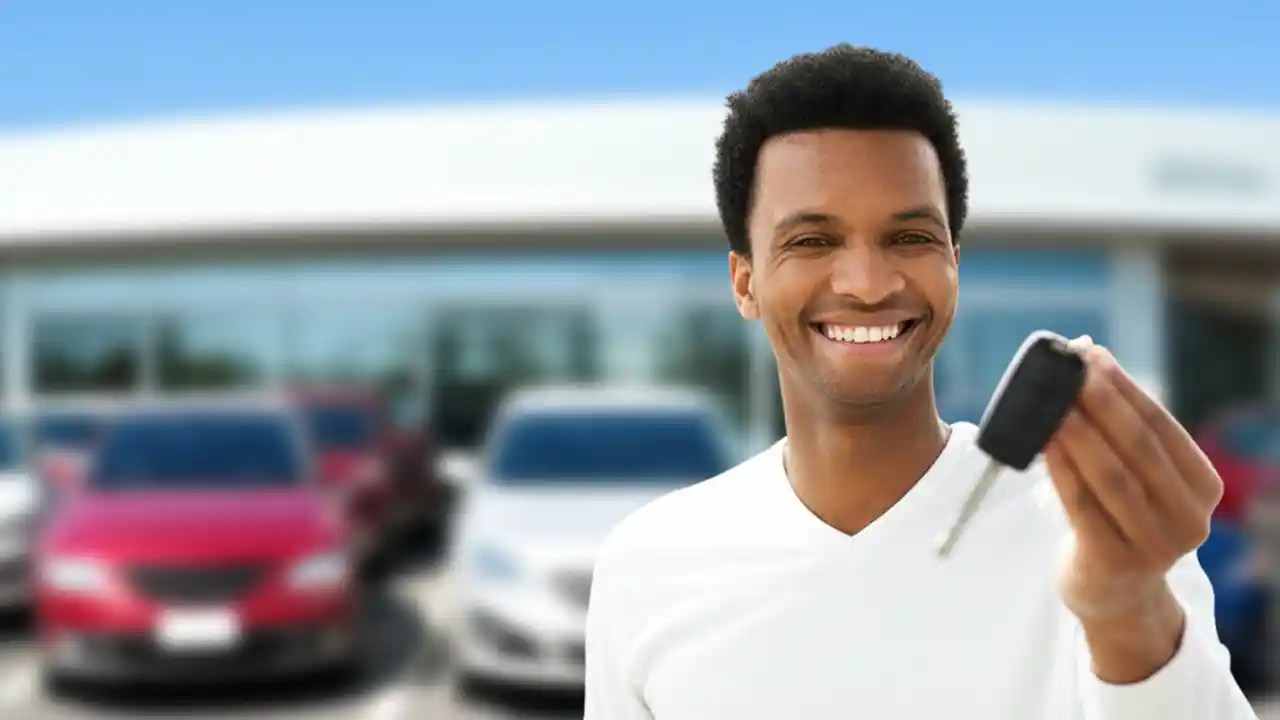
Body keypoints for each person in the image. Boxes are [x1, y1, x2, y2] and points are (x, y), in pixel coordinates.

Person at [583, 45, 1255, 719]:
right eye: (812, 242)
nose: (869, 284)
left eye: (910, 239)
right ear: (745, 281)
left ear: (954, 266)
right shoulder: (648, 566)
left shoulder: (1096, 529)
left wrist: (1127, 611)